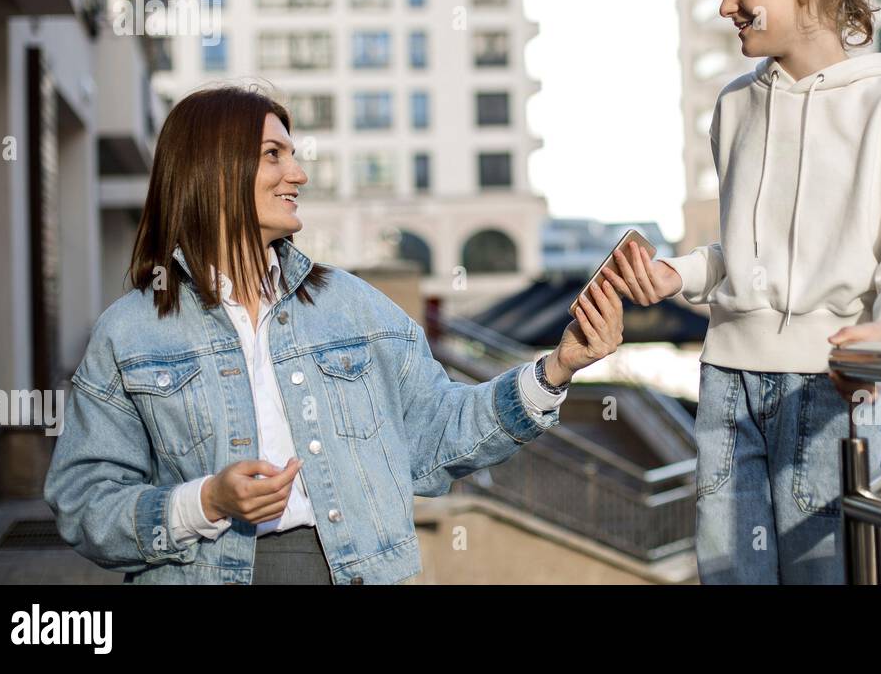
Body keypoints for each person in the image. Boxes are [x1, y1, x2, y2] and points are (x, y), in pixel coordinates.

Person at [44, 85, 623, 584]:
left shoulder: (353, 307)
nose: (297, 173)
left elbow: (436, 437)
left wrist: (556, 369)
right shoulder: (129, 331)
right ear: (213, 171)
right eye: (273, 155)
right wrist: (206, 501)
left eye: (293, 156)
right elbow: (83, 503)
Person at [600, 0, 881, 584]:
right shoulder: (734, 107)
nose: (724, 6)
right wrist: (677, 275)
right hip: (725, 387)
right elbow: (741, 257)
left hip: (829, 390)